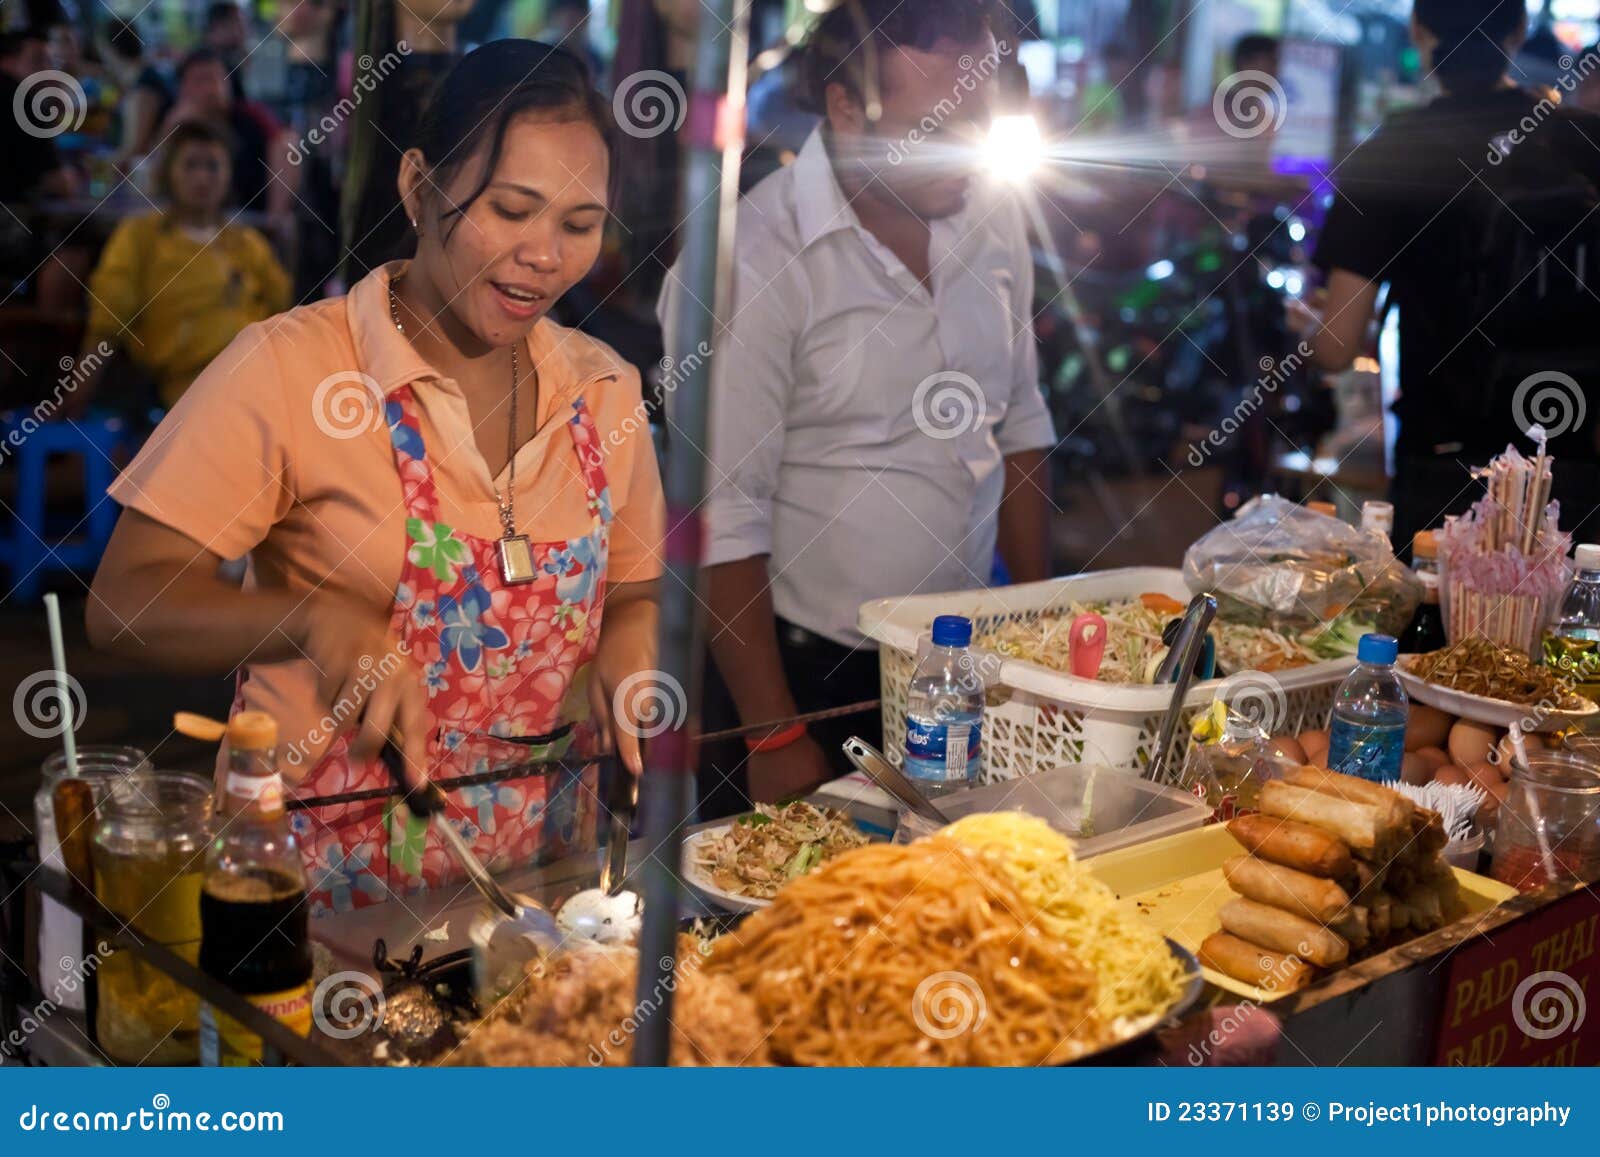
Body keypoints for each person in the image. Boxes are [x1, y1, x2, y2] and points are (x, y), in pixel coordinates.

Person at [88, 42, 666, 914]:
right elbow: (124, 605)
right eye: (512, 210)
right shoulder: (293, 369)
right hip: (313, 897)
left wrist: (630, 639)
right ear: (418, 187)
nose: (545, 255)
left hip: (542, 893)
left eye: (579, 225)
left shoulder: (605, 390)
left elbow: (633, 587)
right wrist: (316, 619)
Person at [659, 0, 1055, 815]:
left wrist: (1041, 644)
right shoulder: (752, 259)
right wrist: (773, 735)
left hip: (963, 666)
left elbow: (1020, 428)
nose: (969, 152)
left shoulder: (992, 214)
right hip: (802, 678)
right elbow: (718, 514)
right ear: (845, 106)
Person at [1306, 0, 1600, 549]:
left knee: (1438, 635)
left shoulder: (1392, 153)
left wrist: (1307, 328)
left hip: (1442, 478)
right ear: (1517, 29)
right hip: (1572, 476)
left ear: (1419, 31)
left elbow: (1336, 347)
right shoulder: (1582, 144)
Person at [81, 120, 291, 410]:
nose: (202, 178)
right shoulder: (140, 236)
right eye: (191, 165)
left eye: (212, 166)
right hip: (185, 391)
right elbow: (109, 315)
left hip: (256, 380)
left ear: (229, 175)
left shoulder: (247, 243)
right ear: (170, 173)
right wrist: (81, 386)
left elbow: (282, 311)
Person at [161, 48, 298, 237]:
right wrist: (171, 128)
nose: (210, 88)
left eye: (216, 79)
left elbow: (285, 146)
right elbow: (157, 176)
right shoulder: (178, 122)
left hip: (248, 220)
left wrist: (274, 219)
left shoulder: (250, 115)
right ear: (183, 88)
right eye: (199, 81)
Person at [0, 29, 82, 202]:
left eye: (50, 62)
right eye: (37, 61)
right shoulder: (22, 100)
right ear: (6, 62)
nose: (47, 70)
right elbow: (61, 184)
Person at [99, 17, 172, 169]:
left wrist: (98, 164)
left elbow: (134, 150)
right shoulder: (142, 78)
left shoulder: (143, 89)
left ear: (111, 50)